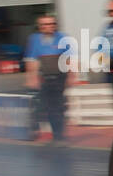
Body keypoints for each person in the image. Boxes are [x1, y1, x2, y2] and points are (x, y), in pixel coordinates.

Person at [24, 15, 77, 144]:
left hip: (59, 77)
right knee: (47, 107)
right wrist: (32, 78)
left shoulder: (62, 38)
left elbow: (70, 59)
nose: (49, 27)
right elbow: (31, 60)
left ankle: (59, 136)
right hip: (44, 78)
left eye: (52, 24)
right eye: (45, 25)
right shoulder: (35, 39)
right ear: (40, 27)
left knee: (57, 107)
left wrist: (71, 76)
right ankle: (55, 135)